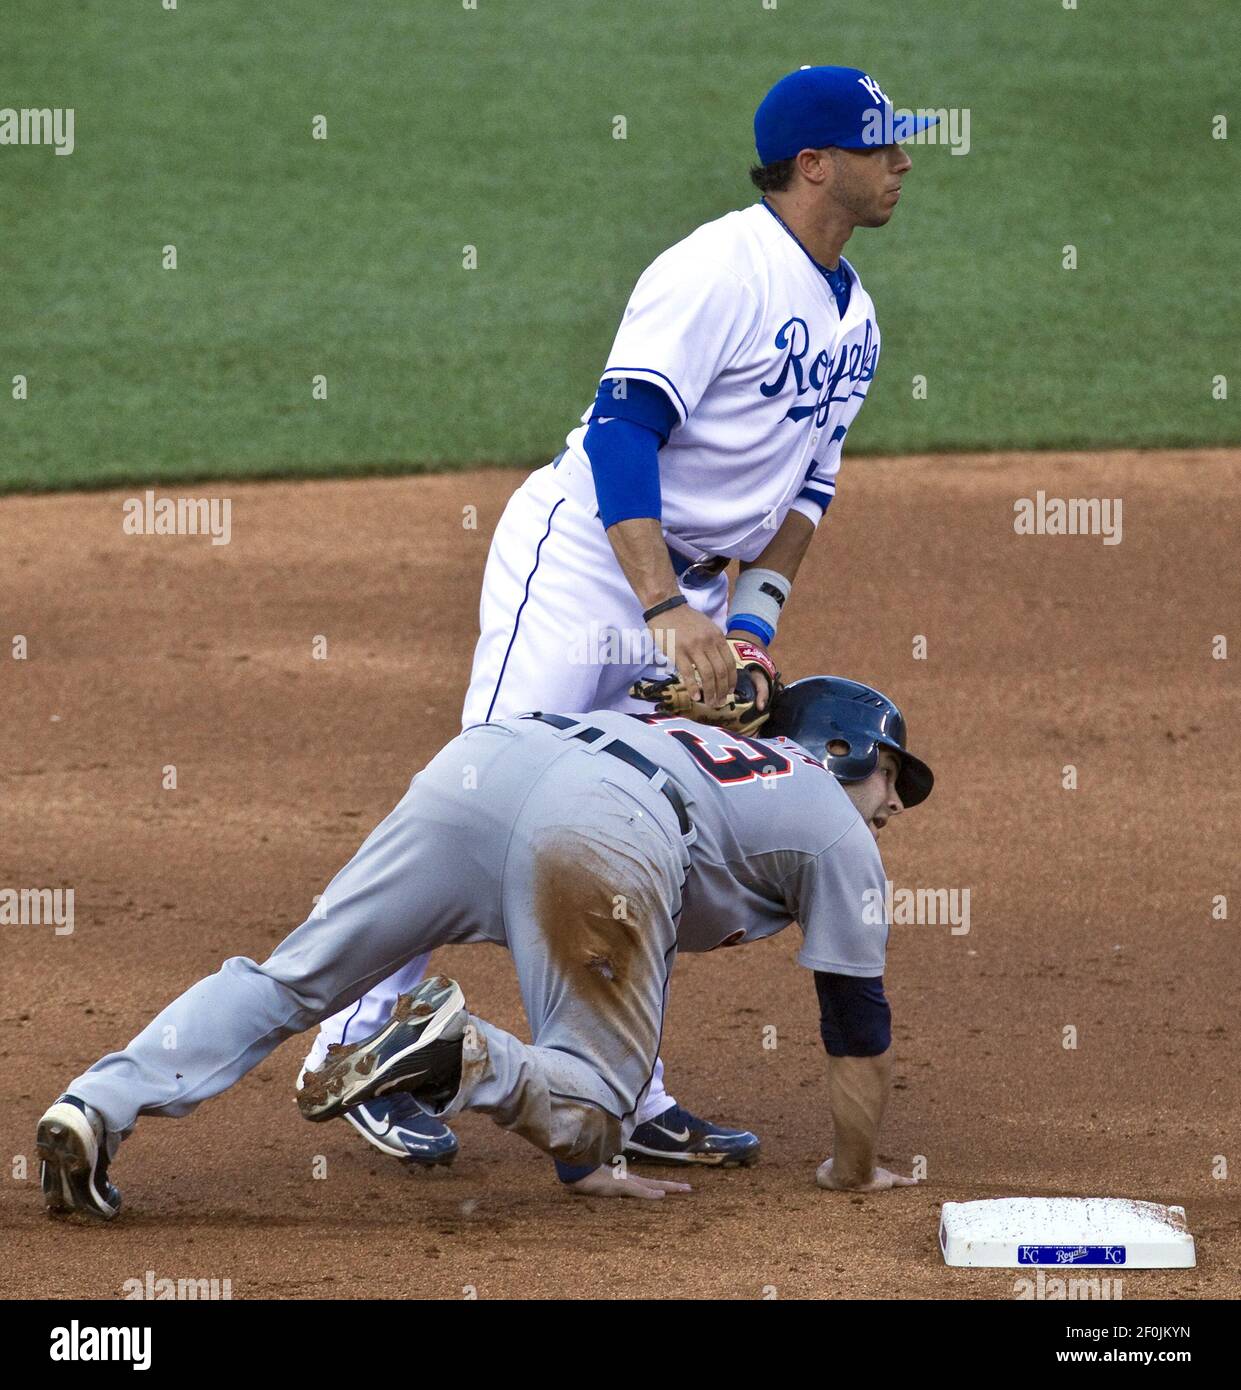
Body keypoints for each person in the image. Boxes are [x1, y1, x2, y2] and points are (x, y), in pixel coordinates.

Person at [308, 63, 937, 1169]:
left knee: (638, 821)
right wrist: (657, 606)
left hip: (687, 593)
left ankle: (622, 1082)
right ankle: (349, 1041)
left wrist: (745, 628)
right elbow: (618, 437)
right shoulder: (714, 272)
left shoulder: (858, 316)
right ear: (813, 165)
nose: (903, 162)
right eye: (882, 145)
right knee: (475, 794)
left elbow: (804, 494)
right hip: (589, 561)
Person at [36, 676, 932, 1218]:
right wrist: (851, 1171)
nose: (895, 804)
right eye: (893, 772)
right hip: (603, 829)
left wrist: (582, 1174)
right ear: (842, 749)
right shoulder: (834, 827)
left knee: (292, 980)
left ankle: (93, 1105)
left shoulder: (704, 750)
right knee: (602, 1104)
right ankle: (459, 1056)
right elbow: (856, 1031)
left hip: (490, 765)